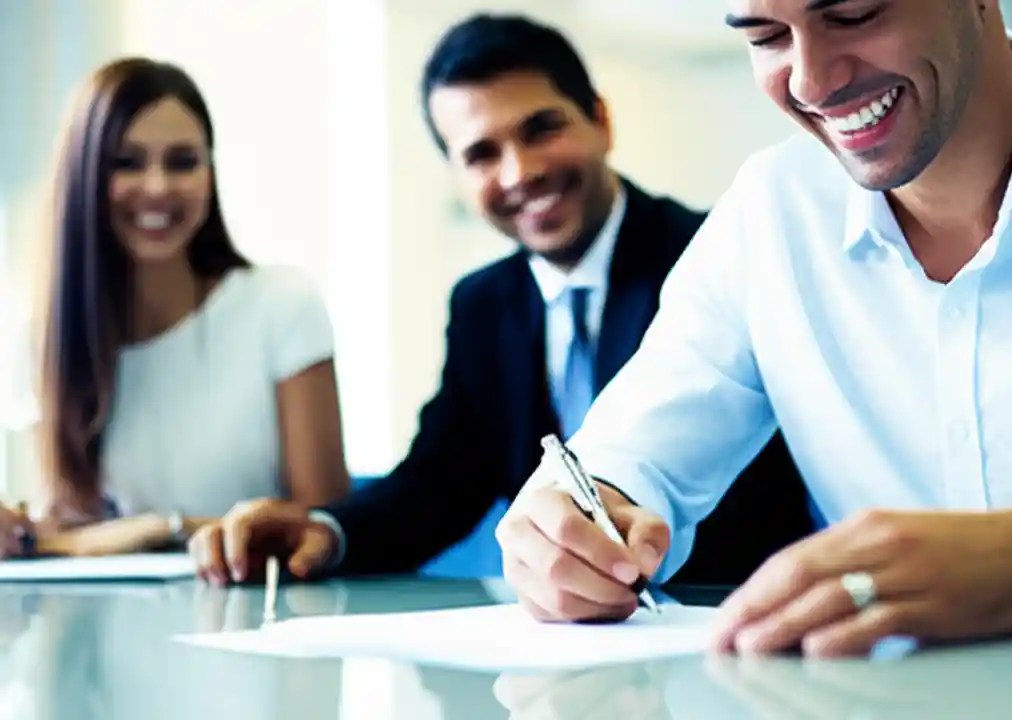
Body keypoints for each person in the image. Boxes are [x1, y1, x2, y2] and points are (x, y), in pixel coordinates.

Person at [495, 0, 1012, 656]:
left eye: (852, 13)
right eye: (766, 37)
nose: (811, 79)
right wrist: (572, 527)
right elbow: (623, 464)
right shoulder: (768, 219)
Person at [187, 14, 814, 586]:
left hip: (740, 632)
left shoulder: (716, 256)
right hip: (572, 653)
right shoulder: (484, 305)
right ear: (457, 176)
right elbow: (435, 485)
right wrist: (324, 531)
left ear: (601, 120)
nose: (519, 172)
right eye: (482, 154)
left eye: (541, 129)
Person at [0, 58, 348, 559]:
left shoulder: (281, 308)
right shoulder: (40, 339)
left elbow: (319, 528)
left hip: (254, 619)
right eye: (127, 162)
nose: (159, 187)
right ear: (85, 178)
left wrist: (162, 529)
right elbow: (65, 534)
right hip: (101, 631)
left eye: (183, 161)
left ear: (211, 172)